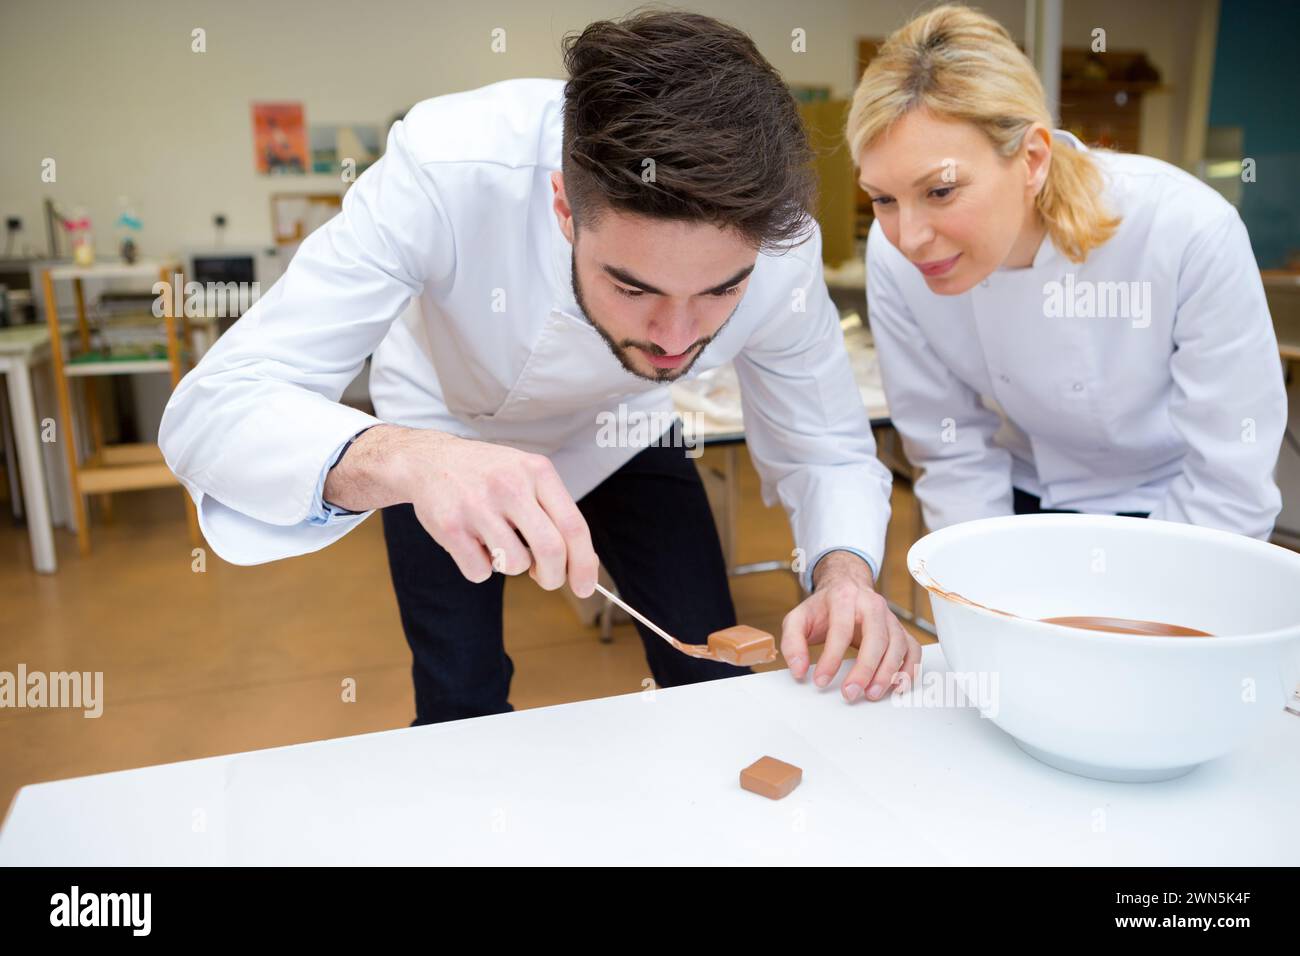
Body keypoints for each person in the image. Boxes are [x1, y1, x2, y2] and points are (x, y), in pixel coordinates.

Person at [160, 11, 921, 725]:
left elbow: (825, 445)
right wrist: (409, 459)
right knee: (462, 698)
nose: (674, 340)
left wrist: (846, 575)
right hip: (443, 433)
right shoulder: (448, 166)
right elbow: (215, 410)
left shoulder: (779, 242)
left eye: (722, 289)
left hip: (622, 427)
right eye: (634, 286)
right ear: (565, 208)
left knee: (708, 671)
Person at [848, 4, 1285, 537]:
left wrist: (1151, 609)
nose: (909, 236)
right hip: (1017, 498)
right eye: (883, 198)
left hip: (1177, 506)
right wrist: (985, 585)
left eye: (940, 191)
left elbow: (1228, 478)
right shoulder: (893, 257)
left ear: (1032, 158)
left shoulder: (1184, 229)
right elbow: (952, 448)